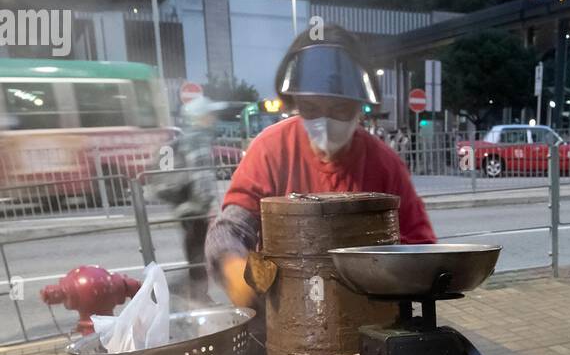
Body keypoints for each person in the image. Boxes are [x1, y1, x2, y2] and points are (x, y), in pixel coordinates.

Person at [206, 24, 435, 308]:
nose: (324, 122)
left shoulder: (385, 164)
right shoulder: (271, 149)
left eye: (339, 109)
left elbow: (422, 246)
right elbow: (229, 230)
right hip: (285, 314)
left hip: (368, 315)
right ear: (296, 103)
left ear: (359, 106)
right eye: (311, 109)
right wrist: (233, 268)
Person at [164, 94, 225, 304]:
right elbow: (202, 175)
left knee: (196, 251)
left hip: (185, 206)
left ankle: (197, 293)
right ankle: (189, 292)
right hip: (196, 207)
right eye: (210, 115)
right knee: (201, 252)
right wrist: (210, 206)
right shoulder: (198, 139)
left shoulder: (186, 138)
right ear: (200, 117)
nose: (213, 118)